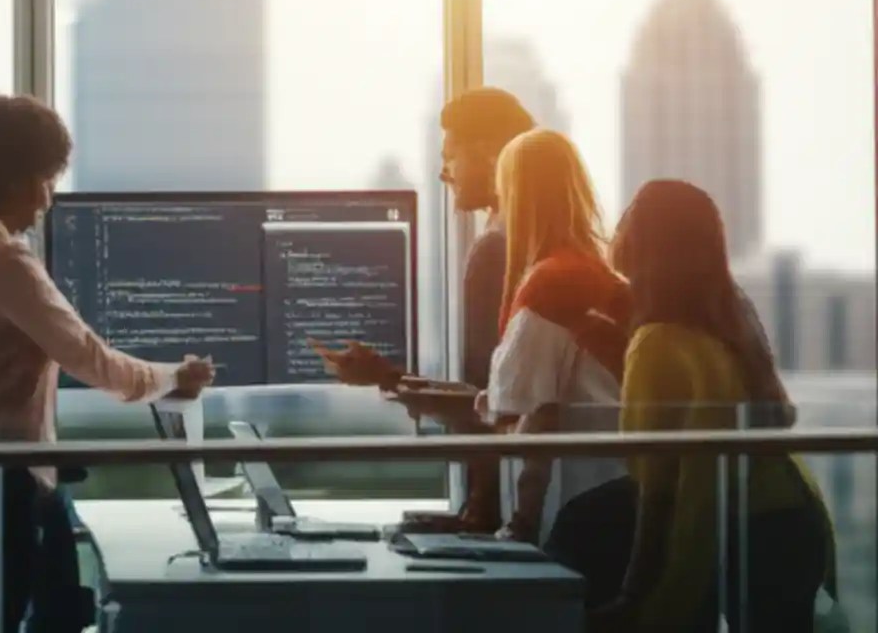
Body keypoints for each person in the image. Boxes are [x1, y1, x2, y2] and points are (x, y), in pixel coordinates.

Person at [0, 93, 215, 632]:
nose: (48, 196)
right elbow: (90, 358)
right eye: (45, 176)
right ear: (13, 177)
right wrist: (173, 378)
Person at [321, 128, 630, 543]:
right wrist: (391, 378)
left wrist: (389, 380)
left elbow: (501, 413)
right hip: (611, 500)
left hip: (572, 515)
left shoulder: (550, 285)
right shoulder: (597, 275)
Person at [582, 179, 834, 633]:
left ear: (639, 245)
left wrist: (632, 597)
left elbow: (656, 491)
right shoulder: (730, 325)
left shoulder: (657, 343)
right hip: (796, 519)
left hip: (751, 532)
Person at [319, 87, 535, 534]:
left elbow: (486, 402)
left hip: (511, 505)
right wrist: (388, 376)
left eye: (451, 156)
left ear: (490, 156)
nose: (443, 173)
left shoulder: (496, 250)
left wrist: (478, 513)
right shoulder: (527, 236)